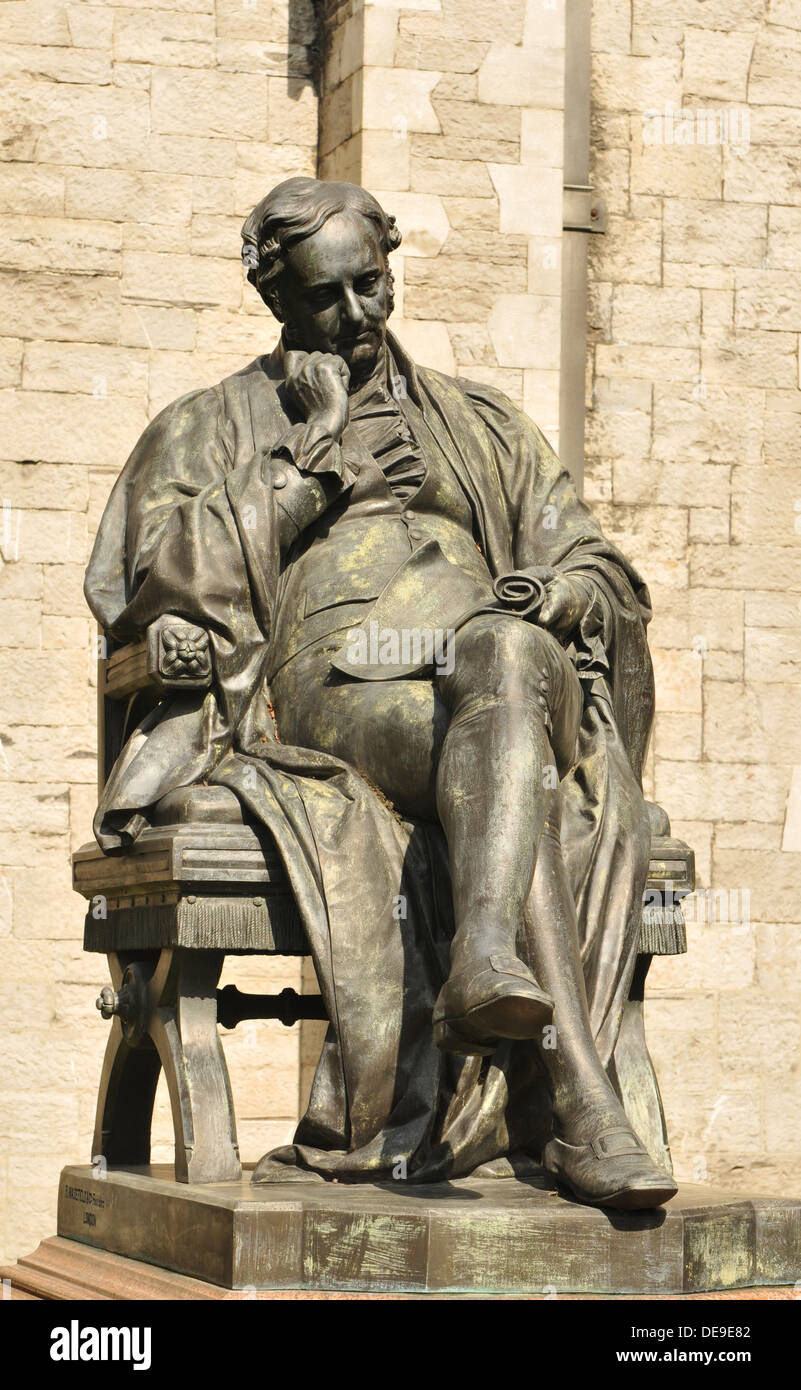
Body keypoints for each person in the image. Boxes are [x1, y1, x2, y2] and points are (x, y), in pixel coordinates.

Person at [85, 177, 677, 1208]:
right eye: (329, 297)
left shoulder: (476, 421)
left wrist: (555, 589)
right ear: (277, 300)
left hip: (490, 674)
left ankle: (487, 950)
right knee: (512, 718)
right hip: (330, 691)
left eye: (374, 283)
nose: (361, 314)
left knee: (506, 651)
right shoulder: (212, 423)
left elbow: (598, 566)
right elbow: (155, 582)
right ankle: (587, 1101)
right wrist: (310, 470)